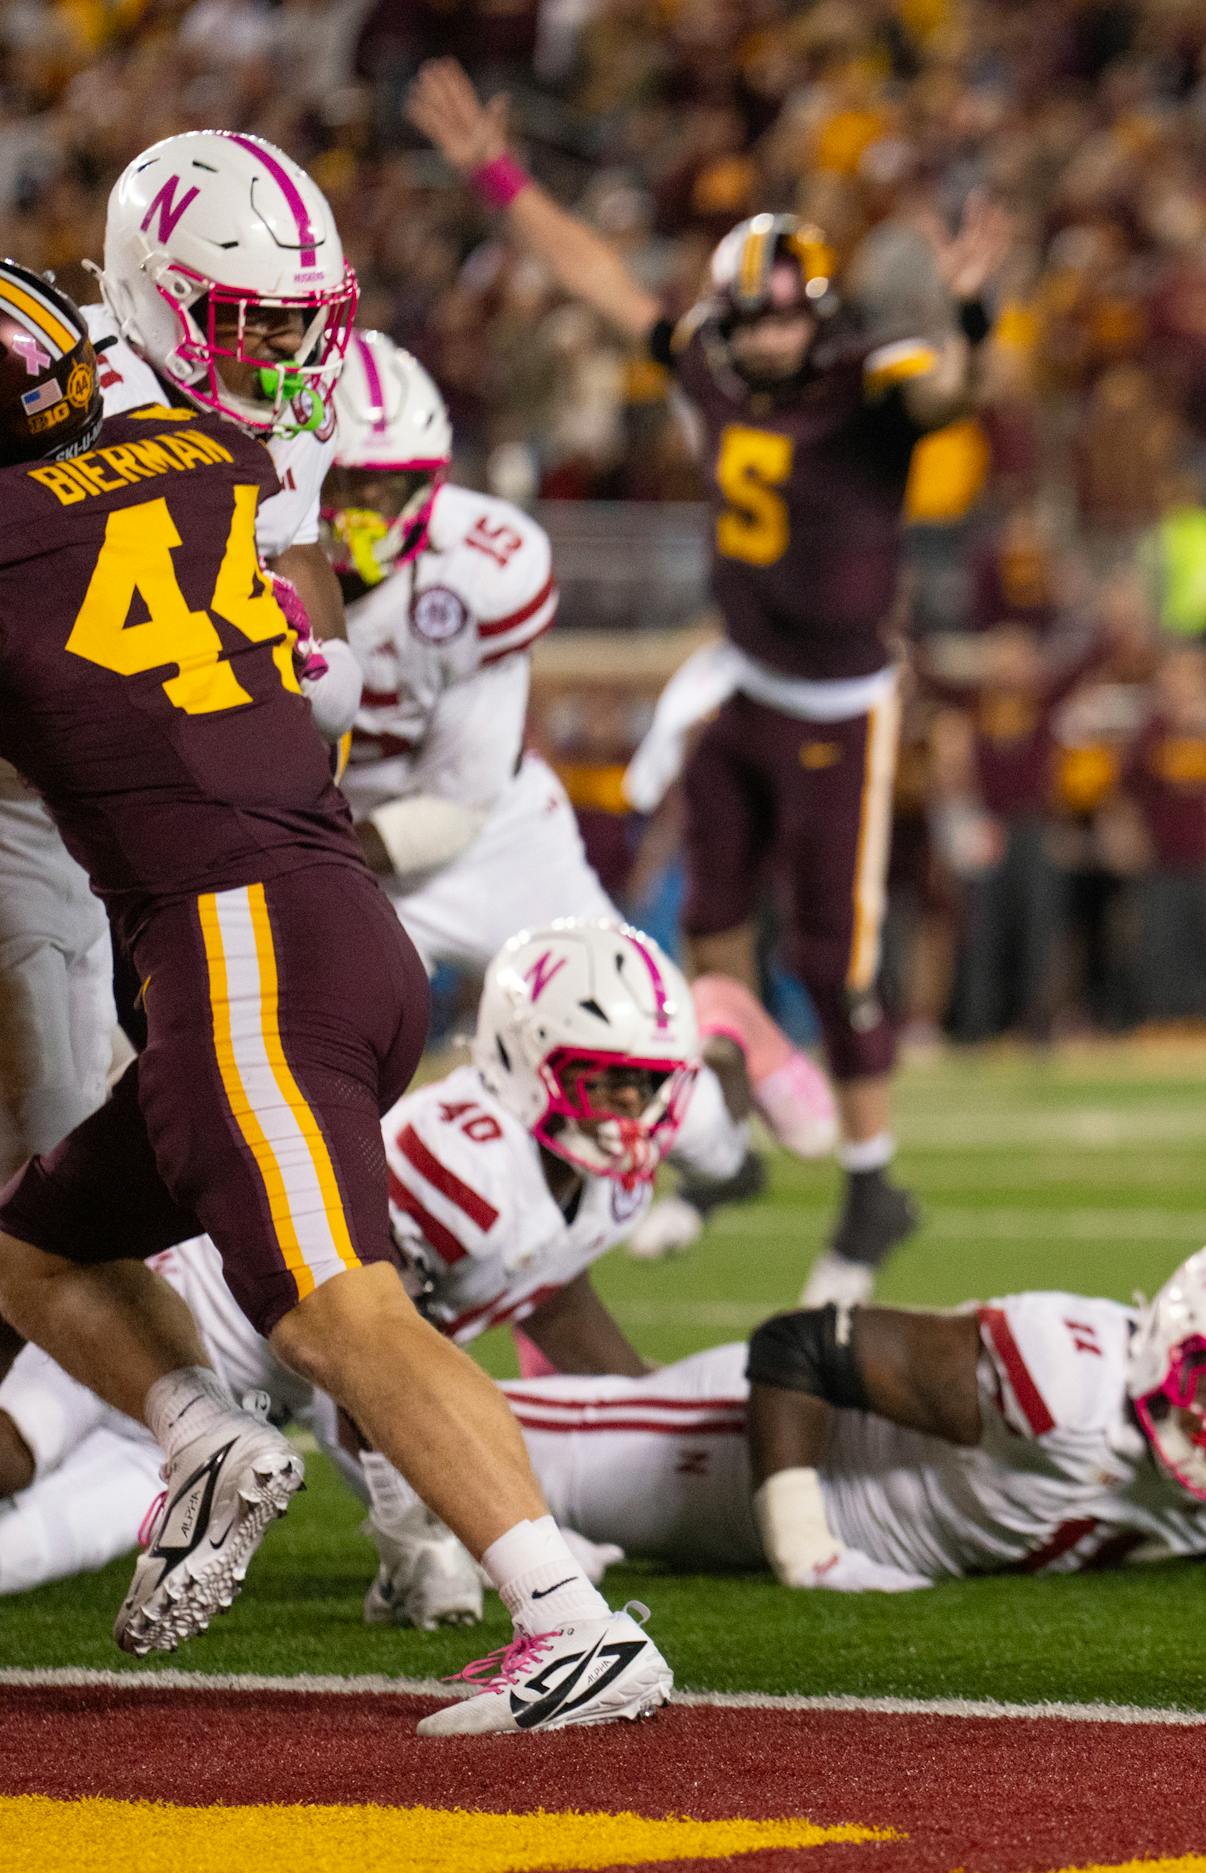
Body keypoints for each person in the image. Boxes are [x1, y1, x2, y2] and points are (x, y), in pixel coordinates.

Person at [0, 274, 668, 1736]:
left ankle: (572, 1622)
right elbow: (308, 621)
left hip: (238, 943)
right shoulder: (209, 458)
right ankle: (200, 1434)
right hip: (339, 917)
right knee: (34, 1250)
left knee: (336, 1308)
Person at [407, 59, 1009, 1305]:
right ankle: (726, 1152)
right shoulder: (712, 366)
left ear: (827, 318)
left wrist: (965, 322)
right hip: (740, 682)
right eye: (755, 324)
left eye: (790, 320)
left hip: (843, 704)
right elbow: (595, 273)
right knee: (712, 925)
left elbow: (947, 392)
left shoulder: (872, 384)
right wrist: (495, 177)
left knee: (838, 959)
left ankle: (871, 1183)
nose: (773, 339)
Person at [0, 917, 702, 1628]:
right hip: (176, 1312)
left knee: (23, 1554)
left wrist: (657, 1402)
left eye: (648, 1084)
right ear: (525, 1056)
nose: (630, 1108)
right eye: (607, 1079)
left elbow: (556, 1297)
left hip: (259, 1404)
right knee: (15, 1451)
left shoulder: (609, 1187)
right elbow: (358, 1353)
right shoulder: (467, 1160)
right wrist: (433, 1538)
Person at [319, 332, 832, 1229]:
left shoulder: (475, 573)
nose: (360, 510)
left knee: (641, 1054)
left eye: (382, 485)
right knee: (293, 1062)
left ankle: (723, 1067)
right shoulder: (237, 551)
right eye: (341, 485)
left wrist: (300, 856)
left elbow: (457, 804)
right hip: (340, 849)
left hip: (485, 837)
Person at [1, 130, 361, 1188]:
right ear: (158, 298)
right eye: (254, 325)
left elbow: (293, 541)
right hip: (30, 789)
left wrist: (312, 644)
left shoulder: (288, 404)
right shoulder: (58, 399)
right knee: (53, 1128)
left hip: (178, 804)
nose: (287, 357)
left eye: (304, 323)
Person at [498, 1241, 1206, 1588]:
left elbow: (1141, 1514)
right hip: (730, 1456)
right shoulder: (1067, 1377)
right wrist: (806, 1545)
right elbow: (797, 1345)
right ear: (1173, 1343)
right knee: (416, 1437)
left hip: (810, 1514)